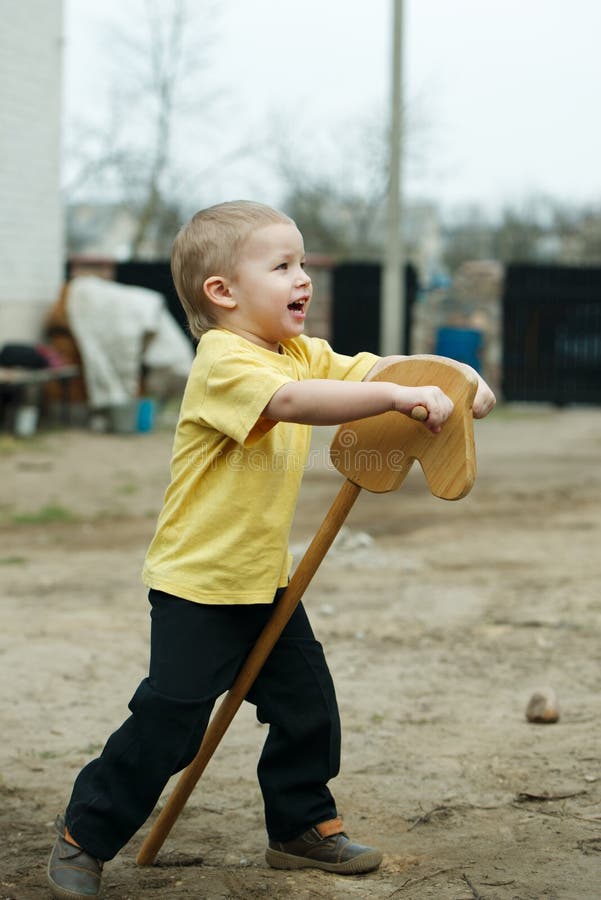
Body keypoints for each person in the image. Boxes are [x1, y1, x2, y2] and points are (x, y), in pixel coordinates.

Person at [48, 200, 495, 898]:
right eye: (282, 265)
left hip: (263, 579)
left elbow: (370, 367)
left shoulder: (297, 352)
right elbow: (293, 402)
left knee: (307, 707)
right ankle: (86, 834)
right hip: (198, 583)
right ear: (222, 292)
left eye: (303, 262)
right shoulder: (224, 362)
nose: (303, 277)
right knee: (171, 723)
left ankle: (300, 827)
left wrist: (451, 380)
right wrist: (401, 402)